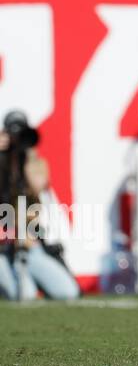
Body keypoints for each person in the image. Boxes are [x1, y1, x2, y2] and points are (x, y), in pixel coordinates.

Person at [0, 113, 80, 301]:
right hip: (2, 247)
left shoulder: (32, 162)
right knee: (23, 295)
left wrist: (24, 154)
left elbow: (38, 182)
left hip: (28, 244)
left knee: (68, 292)